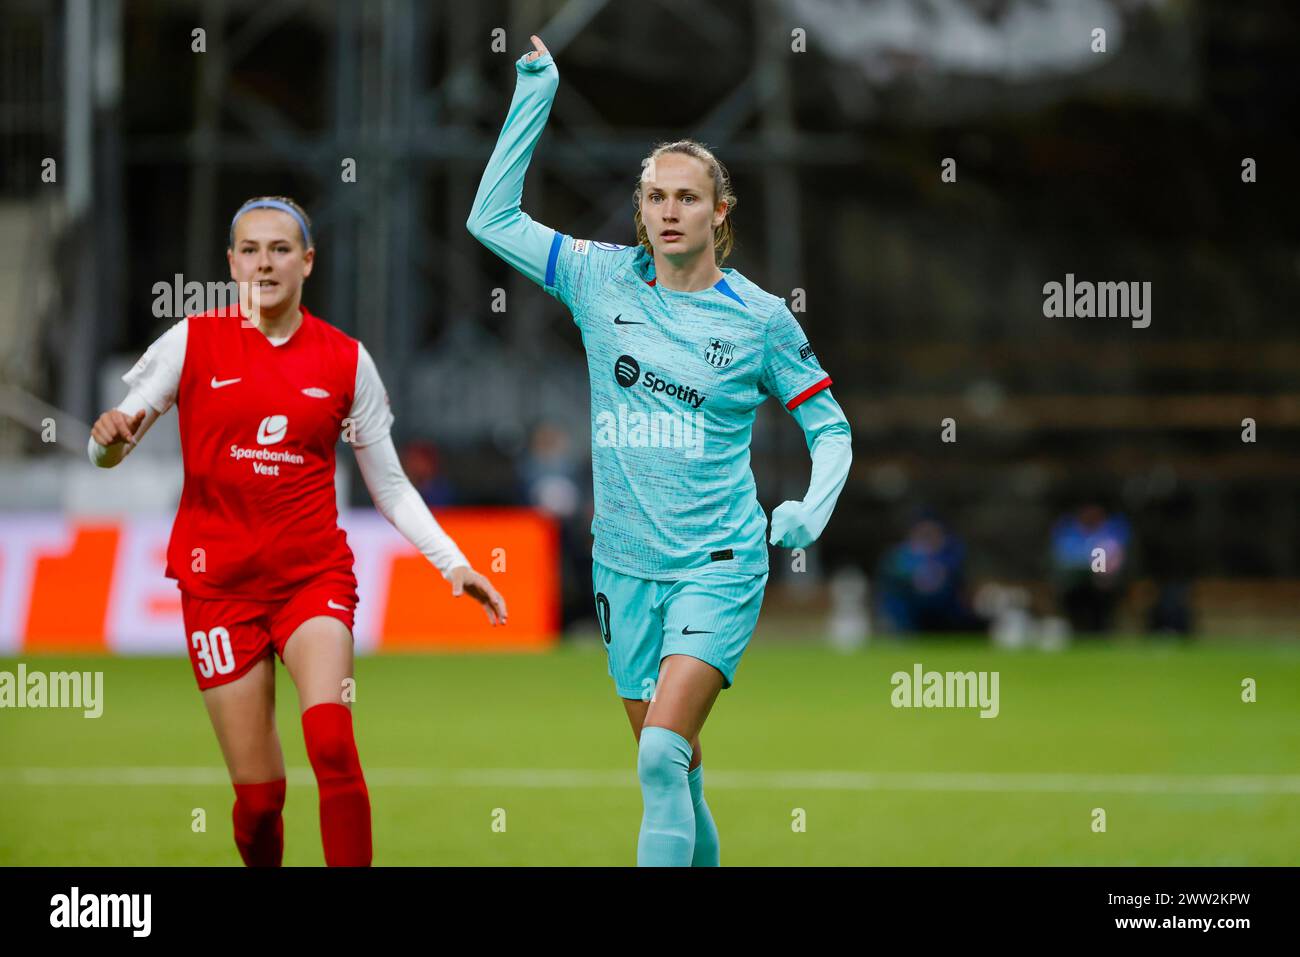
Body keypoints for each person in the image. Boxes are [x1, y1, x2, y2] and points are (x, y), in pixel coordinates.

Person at [467, 37, 852, 866]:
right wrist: (536, 94)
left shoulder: (758, 318)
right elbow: (490, 219)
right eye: (654, 197)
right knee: (675, 768)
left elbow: (831, 427)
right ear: (639, 210)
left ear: (720, 211)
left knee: (656, 756)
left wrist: (810, 508)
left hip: (718, 558)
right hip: (624, 567)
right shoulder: (597, 278)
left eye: (686, 196)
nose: (668, 210)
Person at [89, 196, 507, 866]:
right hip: (217, 587)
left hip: (312, 580)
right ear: (230, 263)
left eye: (280, 249)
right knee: (259, 803)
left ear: (307, 261)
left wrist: (453, 561)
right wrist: (105, 441)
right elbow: (110, 444)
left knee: (334, 744)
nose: (265, 262)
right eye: (250, 249)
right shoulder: (192, 341)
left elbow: (391, 485)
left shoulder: (346, 360)